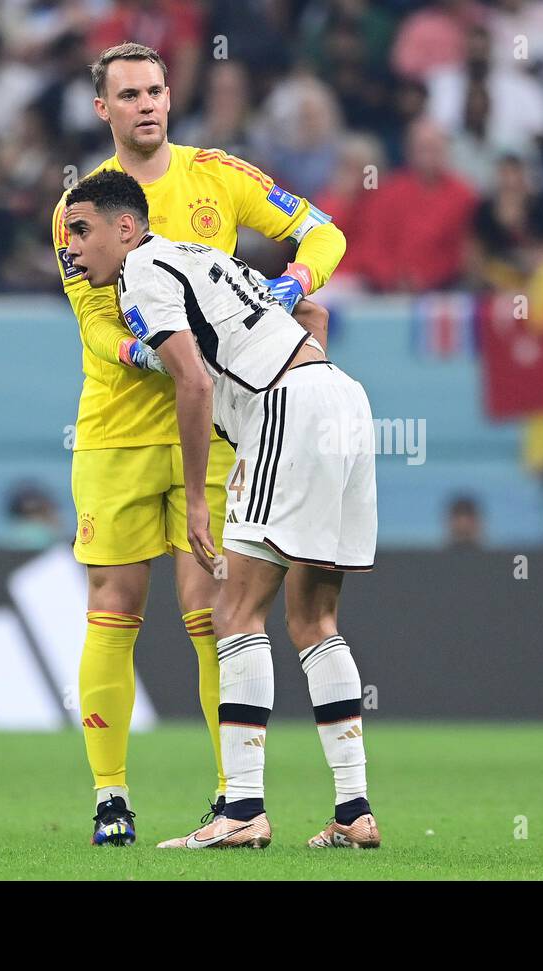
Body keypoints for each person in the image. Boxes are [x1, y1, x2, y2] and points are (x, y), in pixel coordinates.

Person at [49, 43, 347, 846]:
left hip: (211, 429)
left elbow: (324, 232)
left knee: (213, 609)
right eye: (127, 94)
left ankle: (234, 796)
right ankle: (111, 793)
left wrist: (290, 286)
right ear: (102, 109)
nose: (145, 103)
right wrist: (181, 351)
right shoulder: (78, 208)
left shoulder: (219, 176)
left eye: (155, 90)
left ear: (170, 98)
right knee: (113, 602)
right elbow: (103, 332)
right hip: (115, 433)